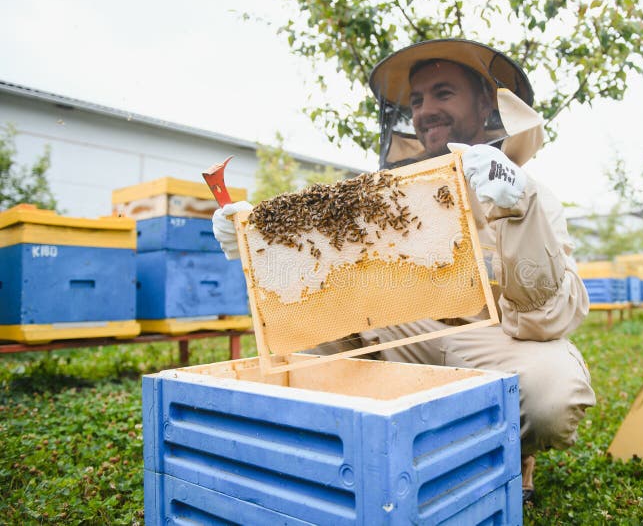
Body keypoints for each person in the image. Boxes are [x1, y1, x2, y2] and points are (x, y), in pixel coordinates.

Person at [213, 39, 596, 504]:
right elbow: (336, 281)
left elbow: (547, 318)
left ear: (484, 105)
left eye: (443, 93)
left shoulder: (532, 192)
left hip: (494, 343)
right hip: (405, 335)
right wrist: (266, 240)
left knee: (548, 394)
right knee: (307, 340)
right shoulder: (393, 195)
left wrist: (520, 212)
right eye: (416, 100)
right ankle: (354, 460)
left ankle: (508, 461)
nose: (425, 110)